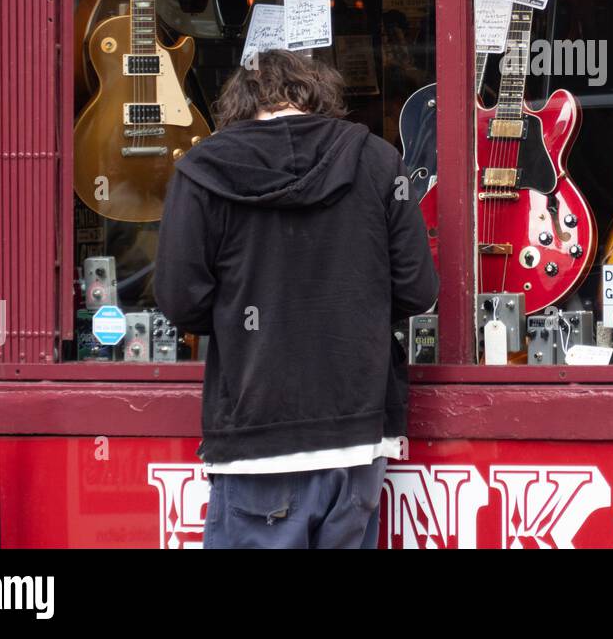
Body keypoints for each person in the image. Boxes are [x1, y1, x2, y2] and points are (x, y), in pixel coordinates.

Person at [155, 50, 438, 549]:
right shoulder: (377, 159)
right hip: (356, 439)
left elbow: (180, 302)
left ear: (240, 104)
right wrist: (354, 306)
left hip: (255, 433)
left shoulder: (201, 171)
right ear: (318, 93)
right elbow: (417, 290)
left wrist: (239, 317)